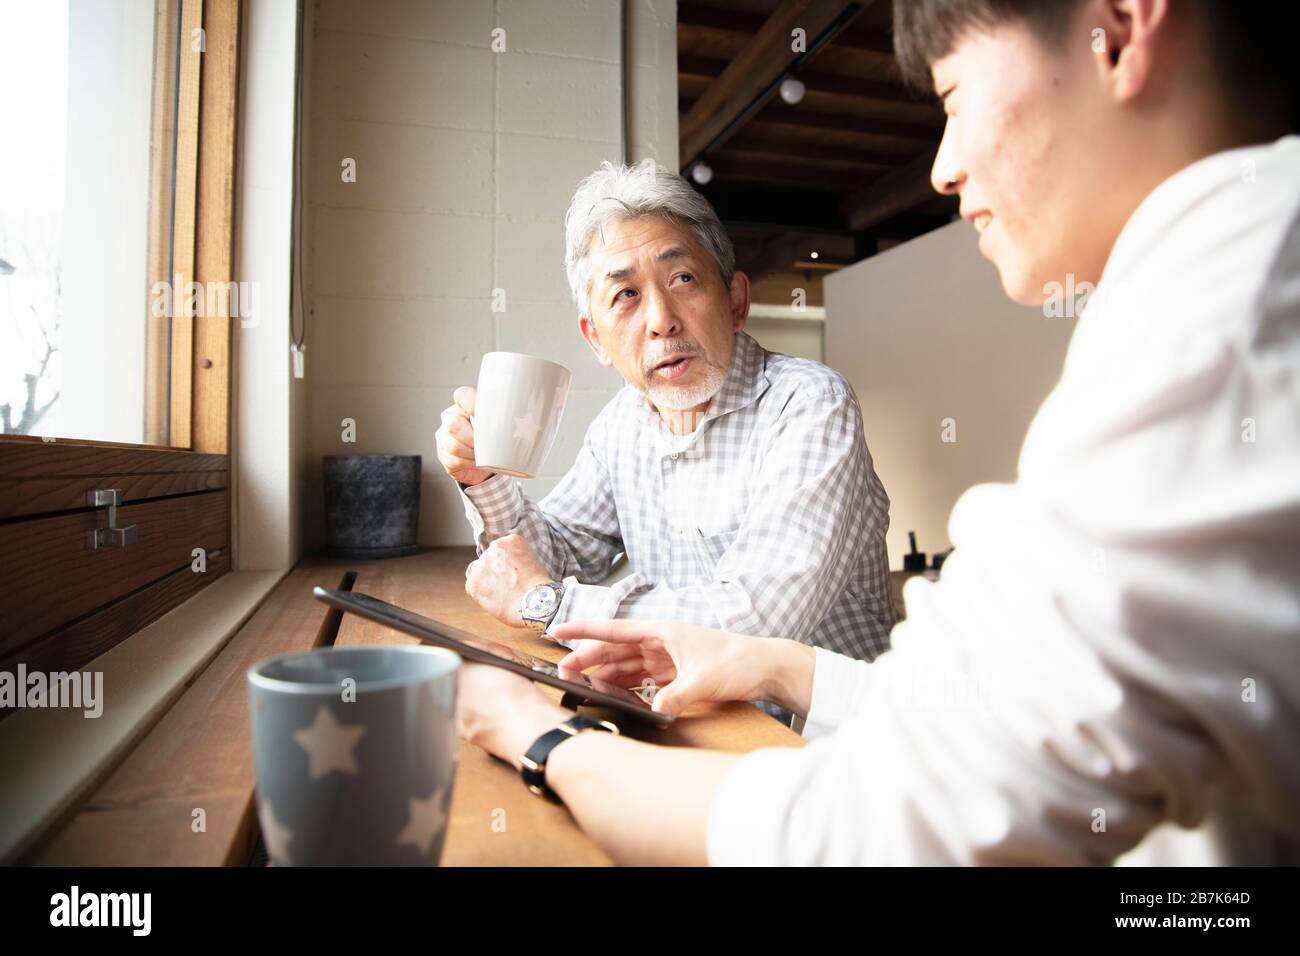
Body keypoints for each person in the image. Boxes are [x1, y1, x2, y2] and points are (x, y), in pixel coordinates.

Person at [455, 0, 1300, 864]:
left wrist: (546, 744)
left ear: (1118, 26)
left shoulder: (1227, 321)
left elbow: (899, 821)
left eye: (957, 96)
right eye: (625, 296)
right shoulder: (1211, 286)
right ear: (596, 336)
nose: (941, 168)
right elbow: (977, 711)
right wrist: (775, 666)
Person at [435, 160, 898, 715]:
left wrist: (546, 604)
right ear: (597, 340)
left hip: (831, 739)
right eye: (625, 295)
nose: (660, 320)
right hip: (701, 717)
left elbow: (755, 620)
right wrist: (483, 477)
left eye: (682, 279)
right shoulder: (620, 425)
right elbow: (556, 556)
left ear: (735, 301)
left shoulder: (809, 404)